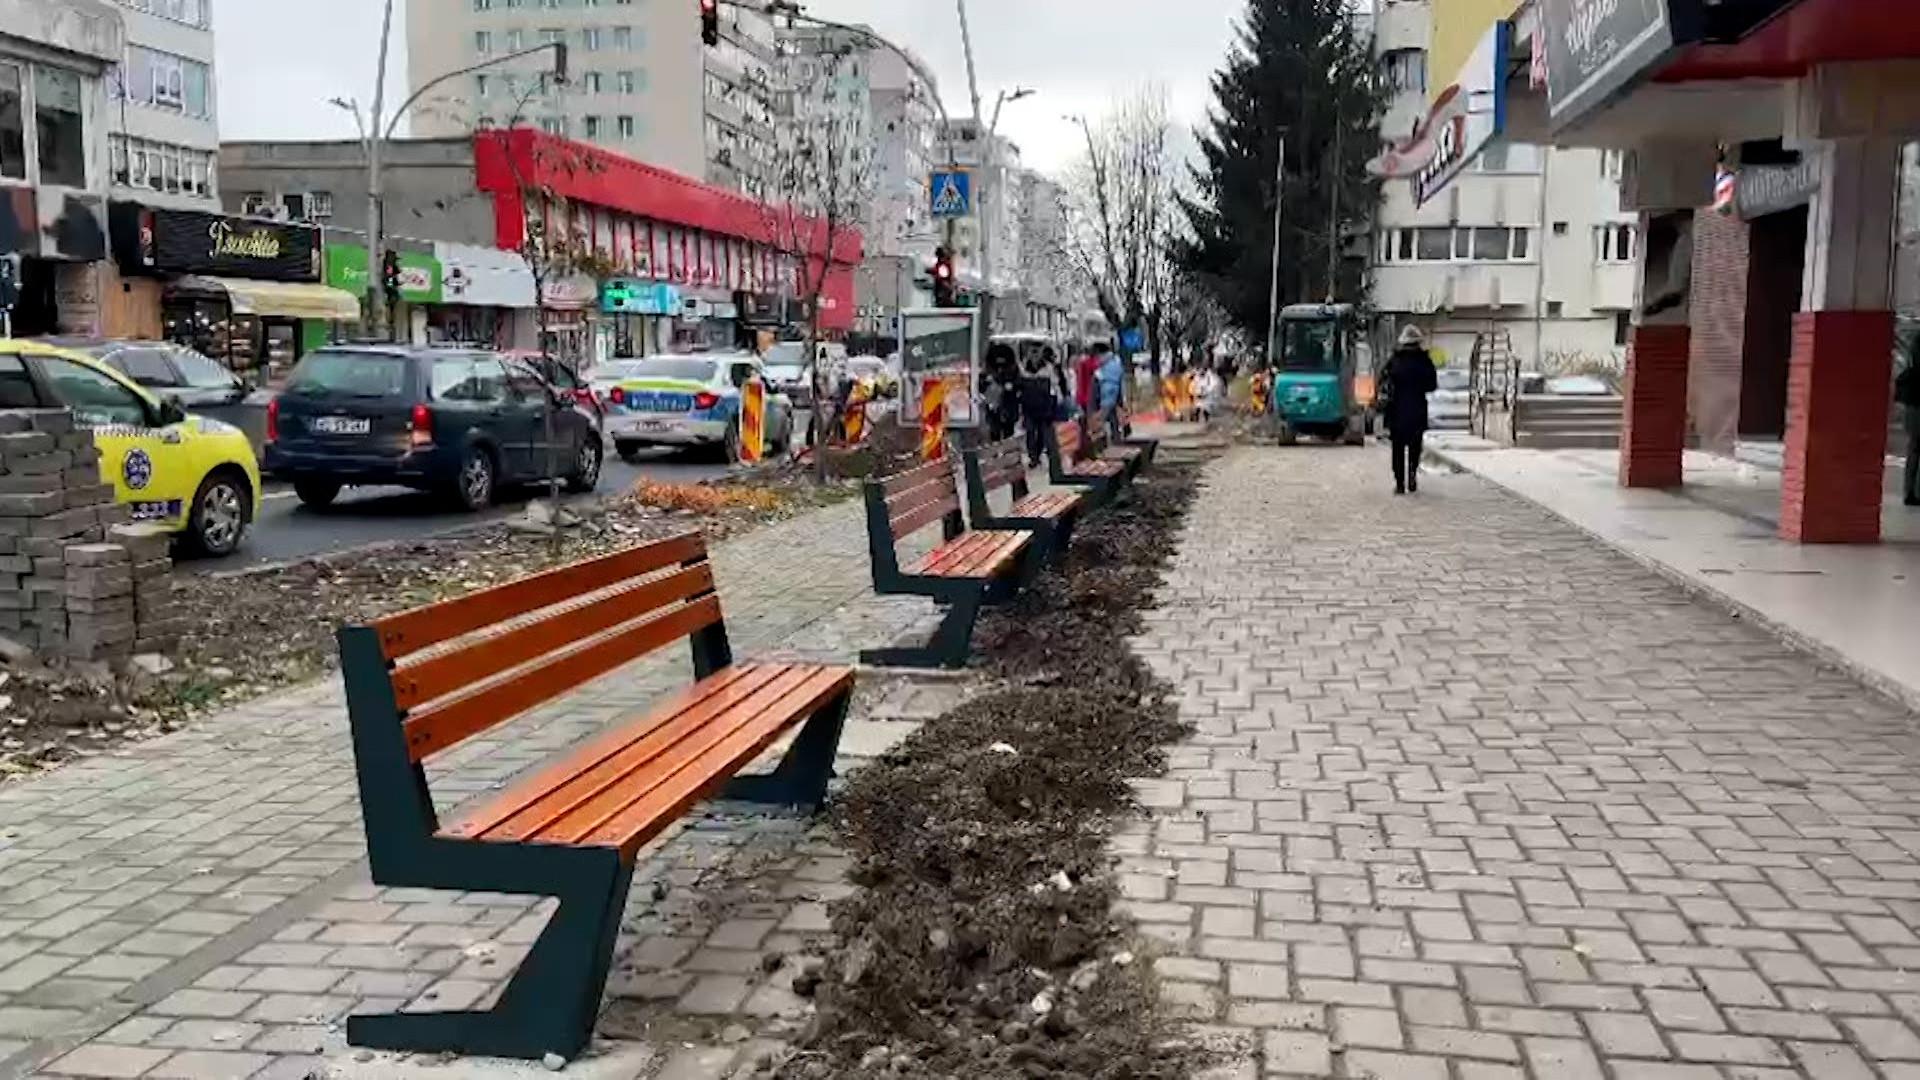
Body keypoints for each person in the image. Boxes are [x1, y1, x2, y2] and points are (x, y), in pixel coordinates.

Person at [1381, 325, 1438, 495]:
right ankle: (1412, 475)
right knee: (1415, 447)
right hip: (1417, 410)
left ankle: (1400, 483)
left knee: (1397, 449)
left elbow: (1382, 382)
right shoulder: (1425, 361)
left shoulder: (1394, 361)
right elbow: (1432, 386)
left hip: (1396, 410)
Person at [1019, 348, 1060, 466]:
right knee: (1030, 432)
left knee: (1042, 433)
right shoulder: (1023, 368)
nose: (1034, 355)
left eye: (1036, 352)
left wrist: (1053, 403)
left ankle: (1037, 453)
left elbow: (1054, 386)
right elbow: (1019, 385)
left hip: (1044, 407)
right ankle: (1033, 457)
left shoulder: (1048, 368)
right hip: (1028, 406)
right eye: (1032, 352)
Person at [1899, 357, 1920, 507]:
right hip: (1916, 410)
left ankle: (1909, 492)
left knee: (1913, 451)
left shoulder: (1911, 371)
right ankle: (1916, 492)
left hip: (1912, 411)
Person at [1096, 344, 1126, 441]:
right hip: (1113, 394)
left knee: (1101, 420)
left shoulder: (1107, 364)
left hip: (1107, 395)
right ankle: (1116, 440)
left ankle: (1106, 443)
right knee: (1113, 420)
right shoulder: (1115, 361)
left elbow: (1106, 382)